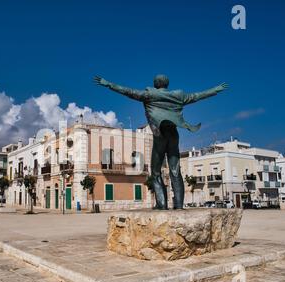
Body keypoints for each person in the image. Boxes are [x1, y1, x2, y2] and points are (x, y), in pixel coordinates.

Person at [95, 74, 228, 209]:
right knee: (175, 171)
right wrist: (215, 90)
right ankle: (179, 206)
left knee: (156, 172)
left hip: (160, 136)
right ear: (167, 84)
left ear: (155, 84)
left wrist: (108, 84)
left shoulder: (149, 94)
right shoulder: (178, 95)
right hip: (174, 135)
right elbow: (197, 96)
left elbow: (128, 92)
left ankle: (162, 205)